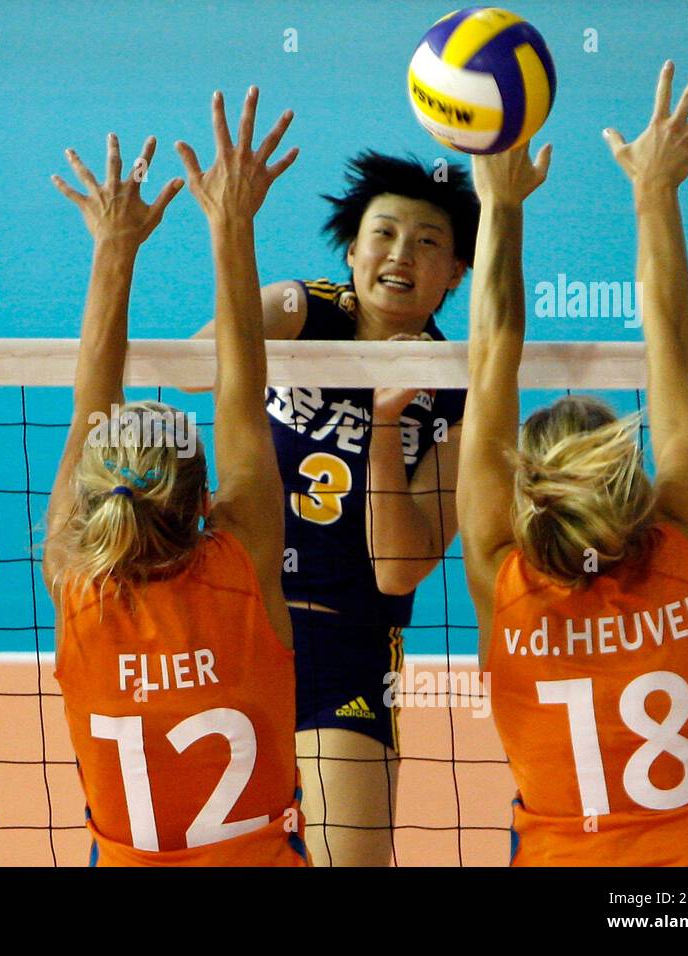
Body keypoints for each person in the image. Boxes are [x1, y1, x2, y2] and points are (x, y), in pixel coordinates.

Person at [458, 61, 688, 865]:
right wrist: (656, 191)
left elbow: (490, 357)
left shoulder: (501, 577)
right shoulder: (686, 546)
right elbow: (672, 346)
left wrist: (500, 204)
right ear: (637, 483)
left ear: (529, 493)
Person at [44, 88, 308, 865]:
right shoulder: (243, 561)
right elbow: (243, 391)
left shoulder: (75, 583)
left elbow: (90, 401)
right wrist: (230, 223)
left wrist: (113, 247)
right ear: (206, 502)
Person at [192, 152, 479, 865]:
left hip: (346, 644)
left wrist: (387, 422)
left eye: (429, 241)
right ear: (352, 251)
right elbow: (200, 365)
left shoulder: (454, 392)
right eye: (384, 233)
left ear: (456, 275)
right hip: (235, 625)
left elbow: (398, 571)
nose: (402, 254)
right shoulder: (301, 309)